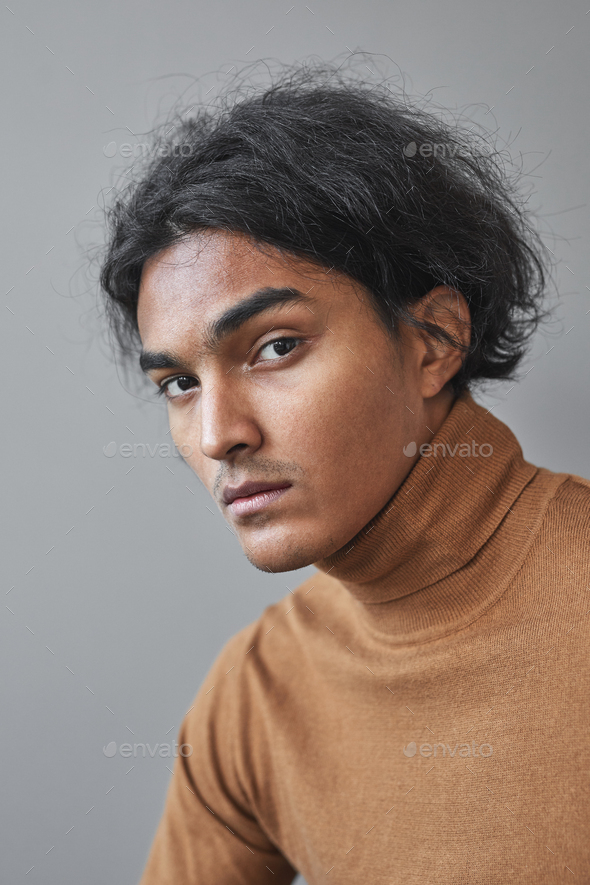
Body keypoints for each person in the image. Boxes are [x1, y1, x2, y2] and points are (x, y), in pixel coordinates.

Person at [100, 63, 590, 884]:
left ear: (434, 339)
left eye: (276, 346)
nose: (219, 434)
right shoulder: (257, 695)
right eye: (179, 384)